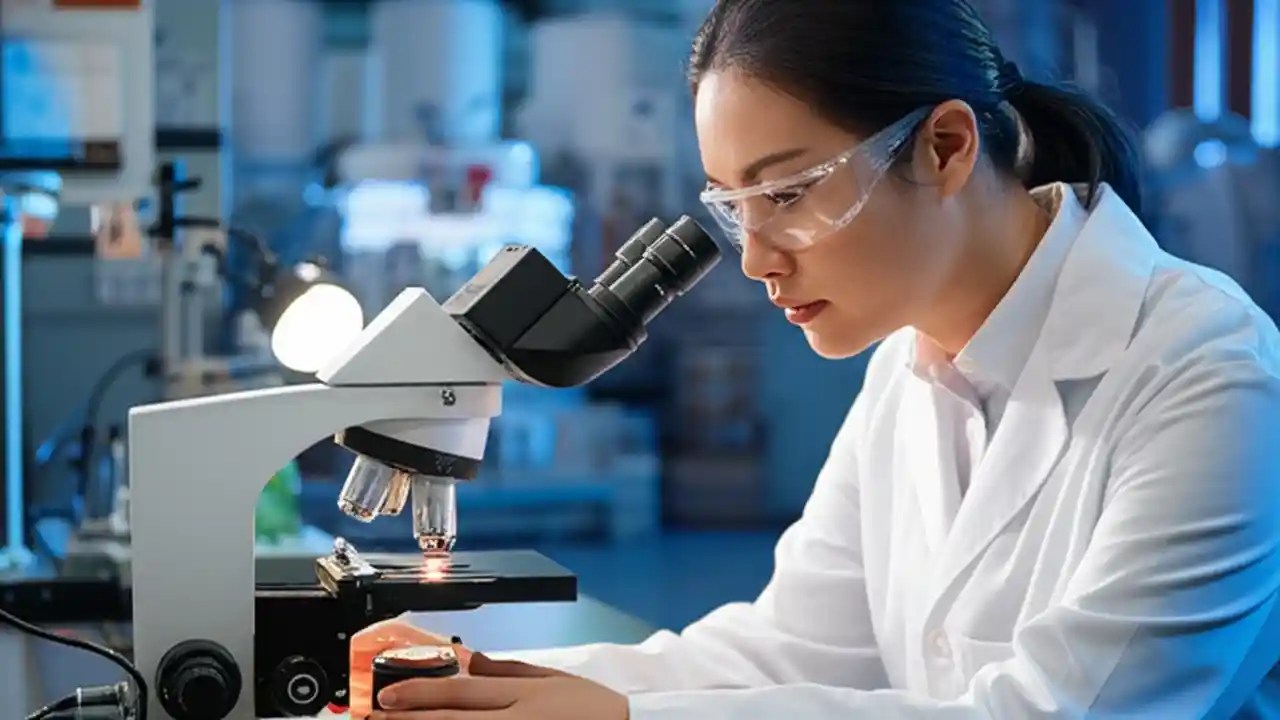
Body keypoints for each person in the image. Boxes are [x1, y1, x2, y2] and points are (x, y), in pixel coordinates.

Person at [351, 0, 1280, 717]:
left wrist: (623, 715)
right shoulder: (909, 367)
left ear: (946, 146)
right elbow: (790, 651)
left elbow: (1059, 710)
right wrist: (501, 680)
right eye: (731, 207)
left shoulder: (1206, 373)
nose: (755, 258)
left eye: (787, 193)